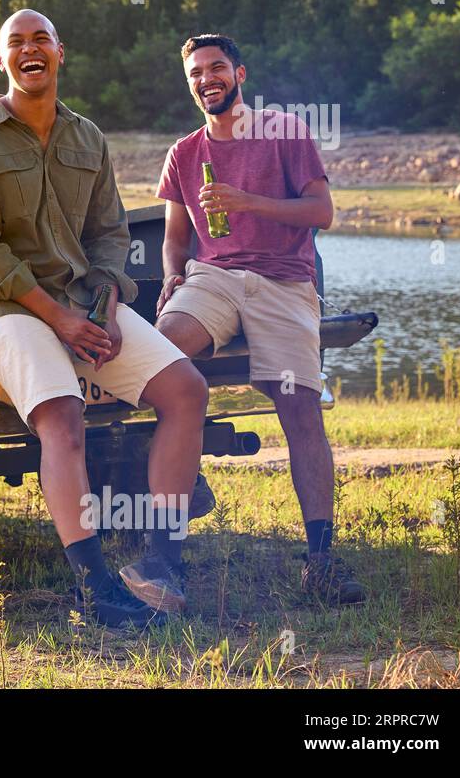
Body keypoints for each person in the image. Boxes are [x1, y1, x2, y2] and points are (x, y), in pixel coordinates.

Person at [0, 9, 209, 625]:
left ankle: (162, 563)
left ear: (61, 53)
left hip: (85, 299)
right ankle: (96, 590)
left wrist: (108, 306)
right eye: (16, 43)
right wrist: (61, 321)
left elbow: (110, 235)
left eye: (41, 40)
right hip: (1, 305)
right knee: (63, 416)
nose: (30, 50)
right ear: (1, 61)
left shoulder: (88, 138)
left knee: (186, 389)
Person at [154, 33, 365, 605]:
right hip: (214, 278)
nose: (206, 79)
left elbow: (322, 212)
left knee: (300, 409)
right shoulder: (184, 153)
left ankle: (320, 561)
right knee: (160, 355)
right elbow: (175, 240)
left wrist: (248, 202)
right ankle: (169, 540)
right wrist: (174, 275)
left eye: (217, 68)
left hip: (284, 280)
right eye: (196, 72)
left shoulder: (285, 132)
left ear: (239, 74)